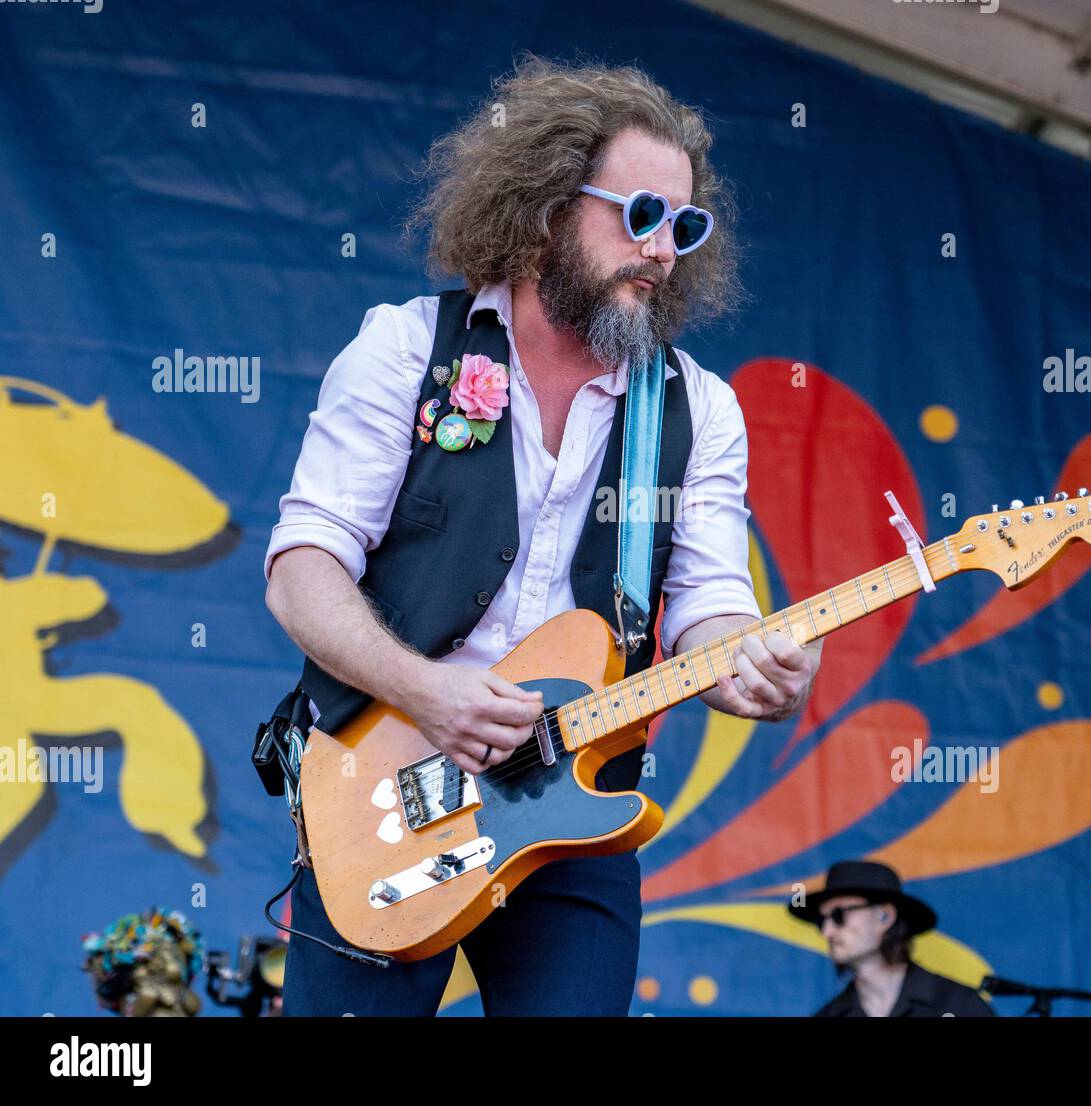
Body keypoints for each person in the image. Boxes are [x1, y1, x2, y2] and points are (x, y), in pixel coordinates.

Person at [263, 54, 822, 1016]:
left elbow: (708, 602)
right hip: (386, 787)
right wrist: (424, 691)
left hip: (577, 805)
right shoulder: (405, 348)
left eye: (685, 227)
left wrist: (751, 665)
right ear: (544, 208)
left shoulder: (700, 411)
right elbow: (302, 571)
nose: (662, 250)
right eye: (639, 215)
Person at [790, 861, 994, 1017]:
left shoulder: (958, 1005)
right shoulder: (830, 1015)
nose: (827, 931)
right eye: (821, 921)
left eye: (838, 916)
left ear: (884, 916)